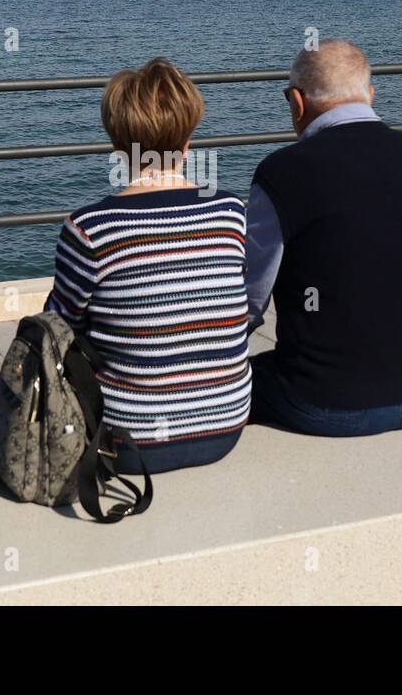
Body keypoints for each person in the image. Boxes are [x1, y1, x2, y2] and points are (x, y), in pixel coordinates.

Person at [245, 39, 402, 436]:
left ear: (296, 101)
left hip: (326, 401)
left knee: (243, 380)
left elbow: (249, 297)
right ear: (370, 95)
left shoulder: (281, 173)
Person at [46, 58, 251, 473]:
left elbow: (59, 329)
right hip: (225, 427)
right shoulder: (230, 211)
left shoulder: (91, 228)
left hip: (126, 442)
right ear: (189, 137)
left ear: (118, 145)